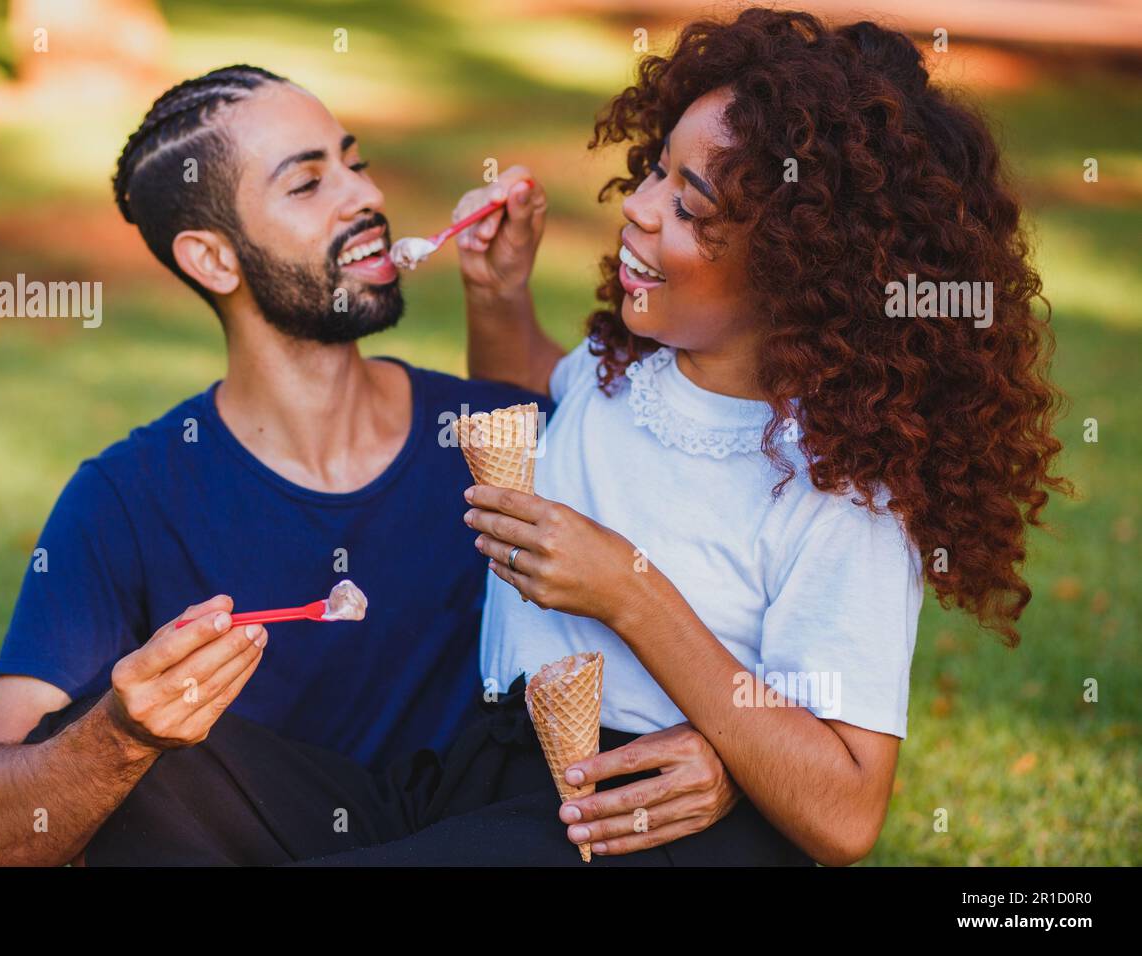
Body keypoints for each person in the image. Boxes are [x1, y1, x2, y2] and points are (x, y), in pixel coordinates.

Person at [67, 8, 1070, 867]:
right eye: (651, 172)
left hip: (647, 815)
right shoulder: (616, 373)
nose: (633, 208)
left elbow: (845, 812)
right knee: (154, 784)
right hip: (491, 771)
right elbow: (522, 410)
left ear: (800, 267)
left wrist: (629, 591)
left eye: (686, 204)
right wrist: (496, 290)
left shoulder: (835, 484)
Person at [0, 66, 735, 867]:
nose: (363, 196)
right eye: (309, 183)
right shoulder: (124, 499)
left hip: (491, 832)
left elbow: (719, 606)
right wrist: (123, 734)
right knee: (114, 758)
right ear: (214, 259)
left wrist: (726, 760)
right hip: (272, 830)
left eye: (355, 162)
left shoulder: (494, 437)